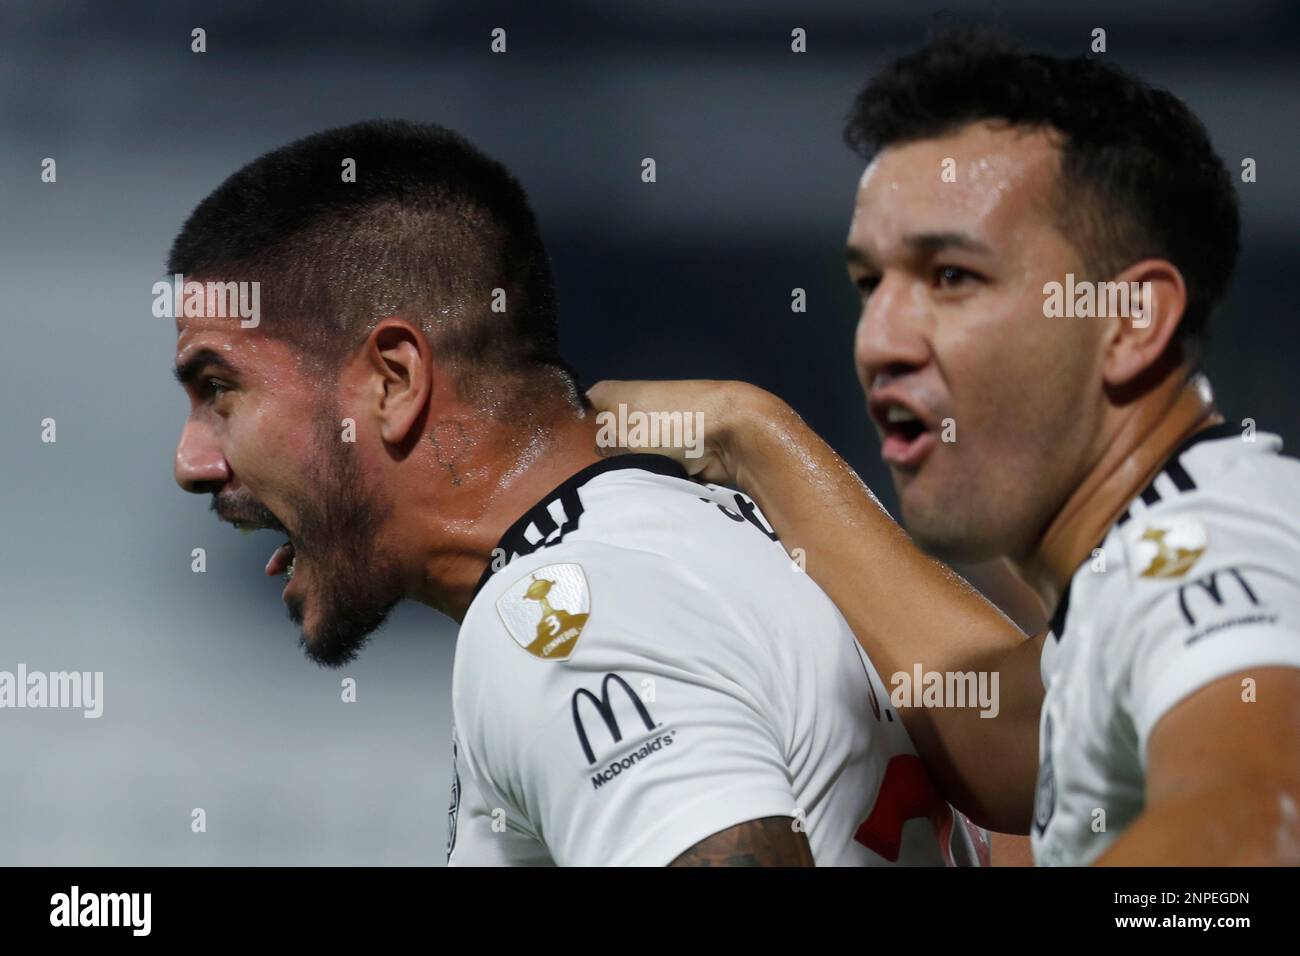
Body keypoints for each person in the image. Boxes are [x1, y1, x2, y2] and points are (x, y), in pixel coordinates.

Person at [166, 119, 987, 866]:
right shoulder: (797, 538)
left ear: (394, 380)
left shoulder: (555, 617)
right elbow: (1032, 824)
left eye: (219, 387)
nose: (191, 459)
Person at [590, 31, 1300, 865]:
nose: (879, 338)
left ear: (1131, 320)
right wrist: (754, 437)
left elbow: (1256, 835)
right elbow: (1005, 739)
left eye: (952, 278)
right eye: (870, 284)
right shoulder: (1152, 565)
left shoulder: (1202, 550)